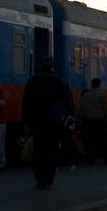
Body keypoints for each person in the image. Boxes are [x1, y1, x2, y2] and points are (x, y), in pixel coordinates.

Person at [21, 57, 74, 190]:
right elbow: (68, 102)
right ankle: (49, 179)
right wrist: (67, 116)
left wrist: (26, 121)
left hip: (37, 121)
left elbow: (26, 103)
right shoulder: (58, 81)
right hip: (53, 122)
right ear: (52, 67)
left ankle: (39, 179)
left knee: (39, 150)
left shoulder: (32, 81)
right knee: (52, 150)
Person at [78, 78, 107, 165]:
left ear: (92, 84)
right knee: (101, 139)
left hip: (87, 121)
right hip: (98, 120)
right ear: (99, 84)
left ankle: (90, 158)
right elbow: (104, 108)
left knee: (89, 140)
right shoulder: (102, 94)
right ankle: (104, 158)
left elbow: (80, 109)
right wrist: (106, 119)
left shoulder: (85, 95)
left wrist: (81, 121)